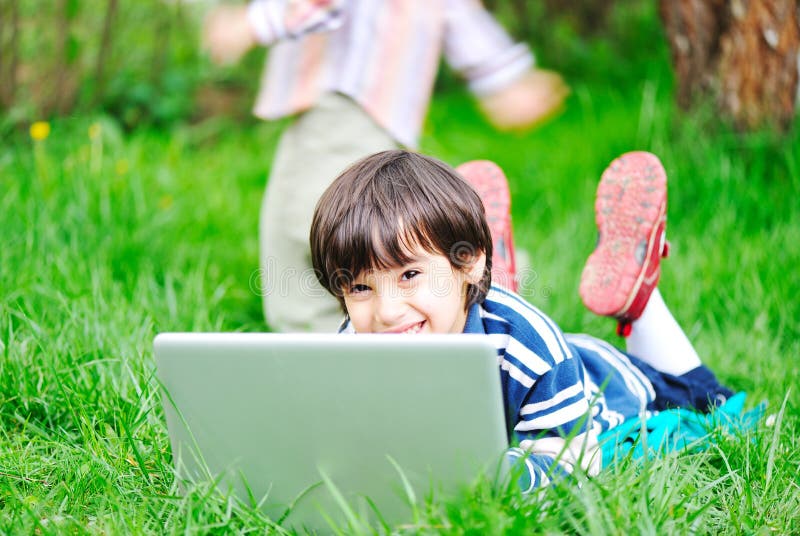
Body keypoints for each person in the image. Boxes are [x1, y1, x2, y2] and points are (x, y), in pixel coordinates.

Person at [309, 149, 735, 489]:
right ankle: (492, 279)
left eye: (410, 275)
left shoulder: (530, 349)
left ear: (468, 264)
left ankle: (640, 301)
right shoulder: (357, 340)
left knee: (709, 399)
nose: (386, 312)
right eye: (360, 288)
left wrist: (491, 476)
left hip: (600, 378)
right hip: (499, 343)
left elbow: (570, 464)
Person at [203, 0, 569, 332]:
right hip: (381, 100)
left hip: (343, 91)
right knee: (379, 223)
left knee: (307, 235)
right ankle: (467, 264)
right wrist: (502, 74)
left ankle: (329, 363)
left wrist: (254, 23)